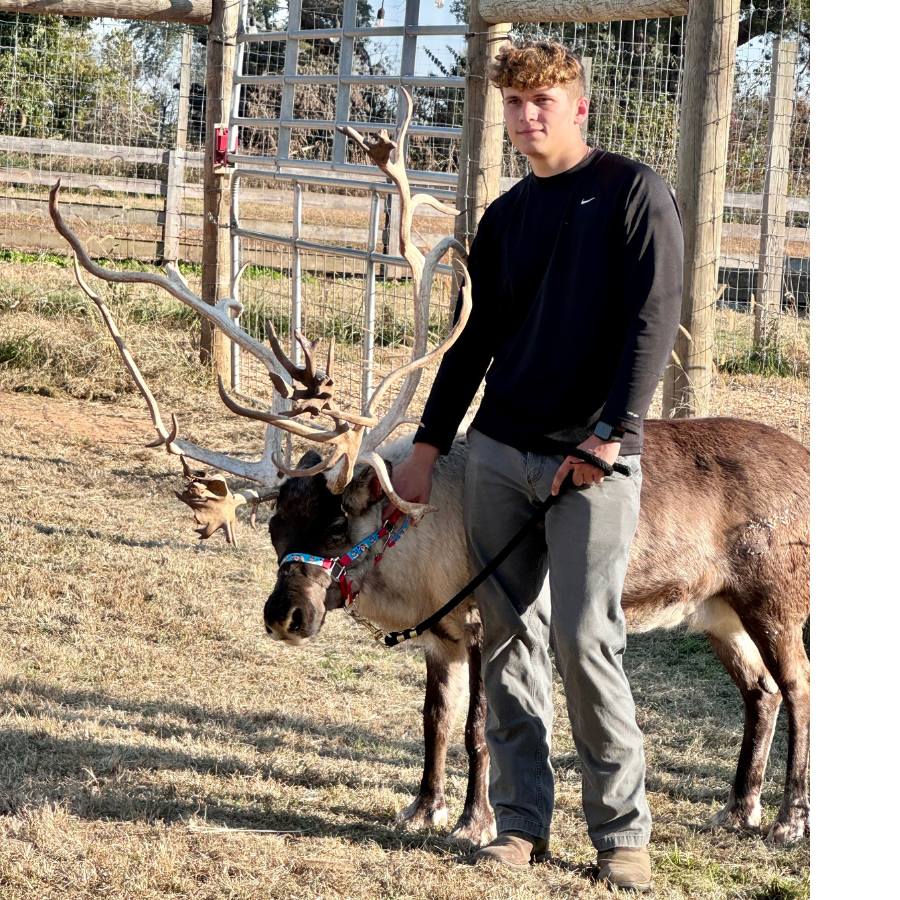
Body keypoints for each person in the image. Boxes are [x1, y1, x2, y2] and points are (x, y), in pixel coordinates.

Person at [390, 40, 683, 892]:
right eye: (515, 105)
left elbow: (653, 321)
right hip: (498, 454)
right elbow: (476, 340)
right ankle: (519, 825)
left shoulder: (633, 192)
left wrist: (609, 436)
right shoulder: (508, 215)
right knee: (508, 641)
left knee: (586, 639)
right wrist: (429, 447)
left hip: (592, 461)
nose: (527, 117)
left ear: (578, 106)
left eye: (543, 101)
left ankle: (623, 836)